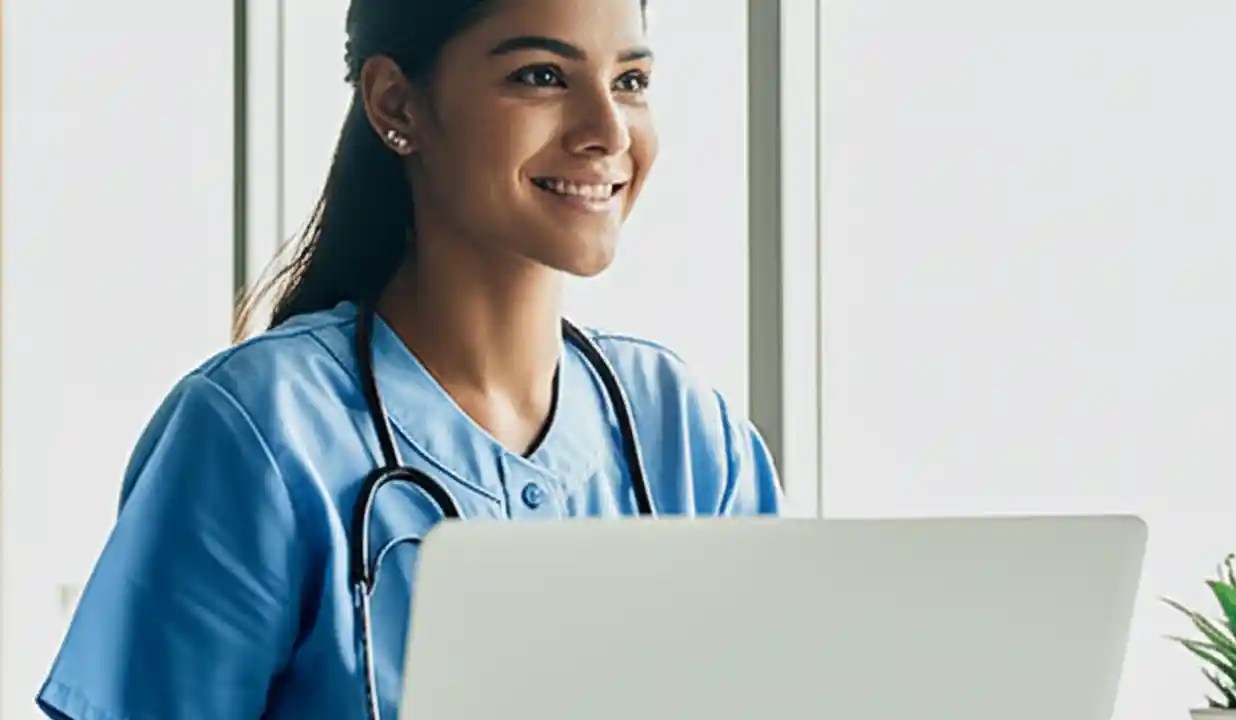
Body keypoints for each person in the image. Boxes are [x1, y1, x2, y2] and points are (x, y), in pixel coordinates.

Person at [35, 0, 784, 718]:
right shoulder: (260, 430)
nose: (607, 130)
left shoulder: (689, 438)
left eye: (630, 82)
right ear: (397, 104)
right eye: (541, 76)